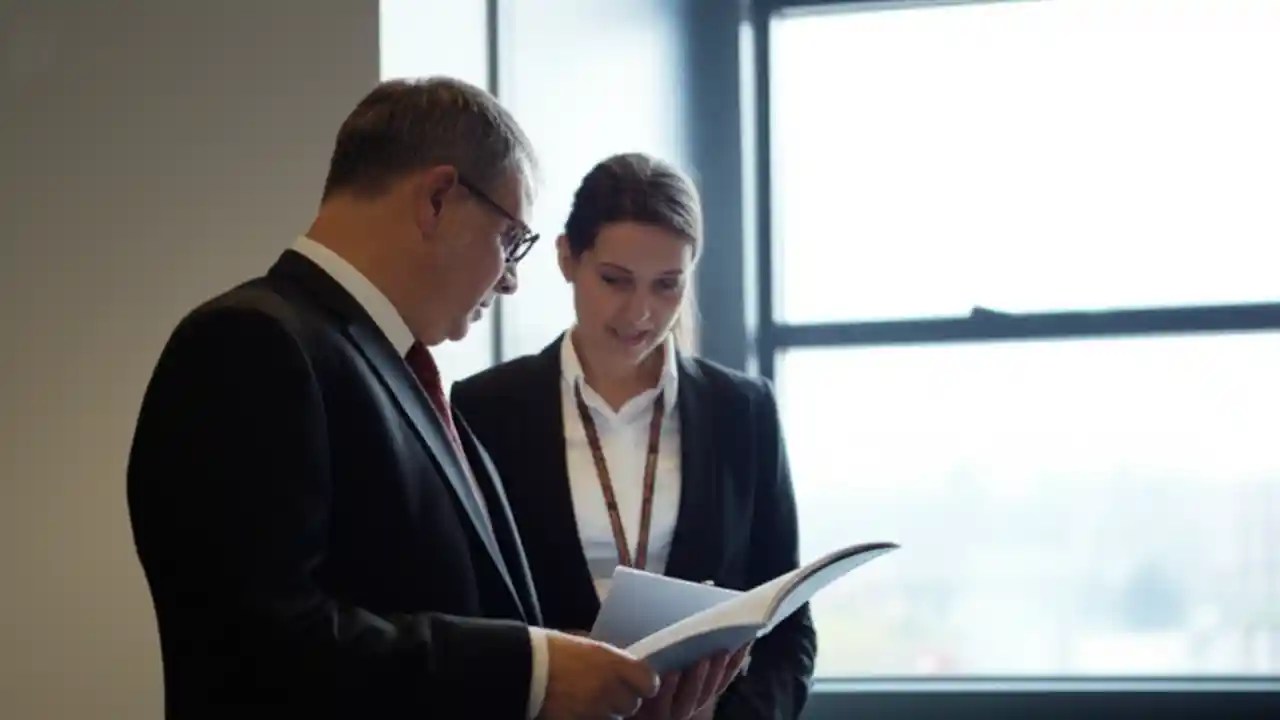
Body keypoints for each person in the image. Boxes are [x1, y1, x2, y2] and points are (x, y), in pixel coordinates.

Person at [127, 78, 681, 720]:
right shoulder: (248, 344)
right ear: (439, 198)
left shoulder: (394, 368)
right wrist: (531, 671)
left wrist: (579, 670)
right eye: (510, 241)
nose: (509, 280)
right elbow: (258, 643)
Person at [451, 153, 817, 720]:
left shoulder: (743, 412)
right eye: (615, 281)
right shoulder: (486, 409)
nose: (641, 313)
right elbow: (463, 612)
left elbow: (788, 632)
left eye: (668, 285)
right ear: (567, 258)